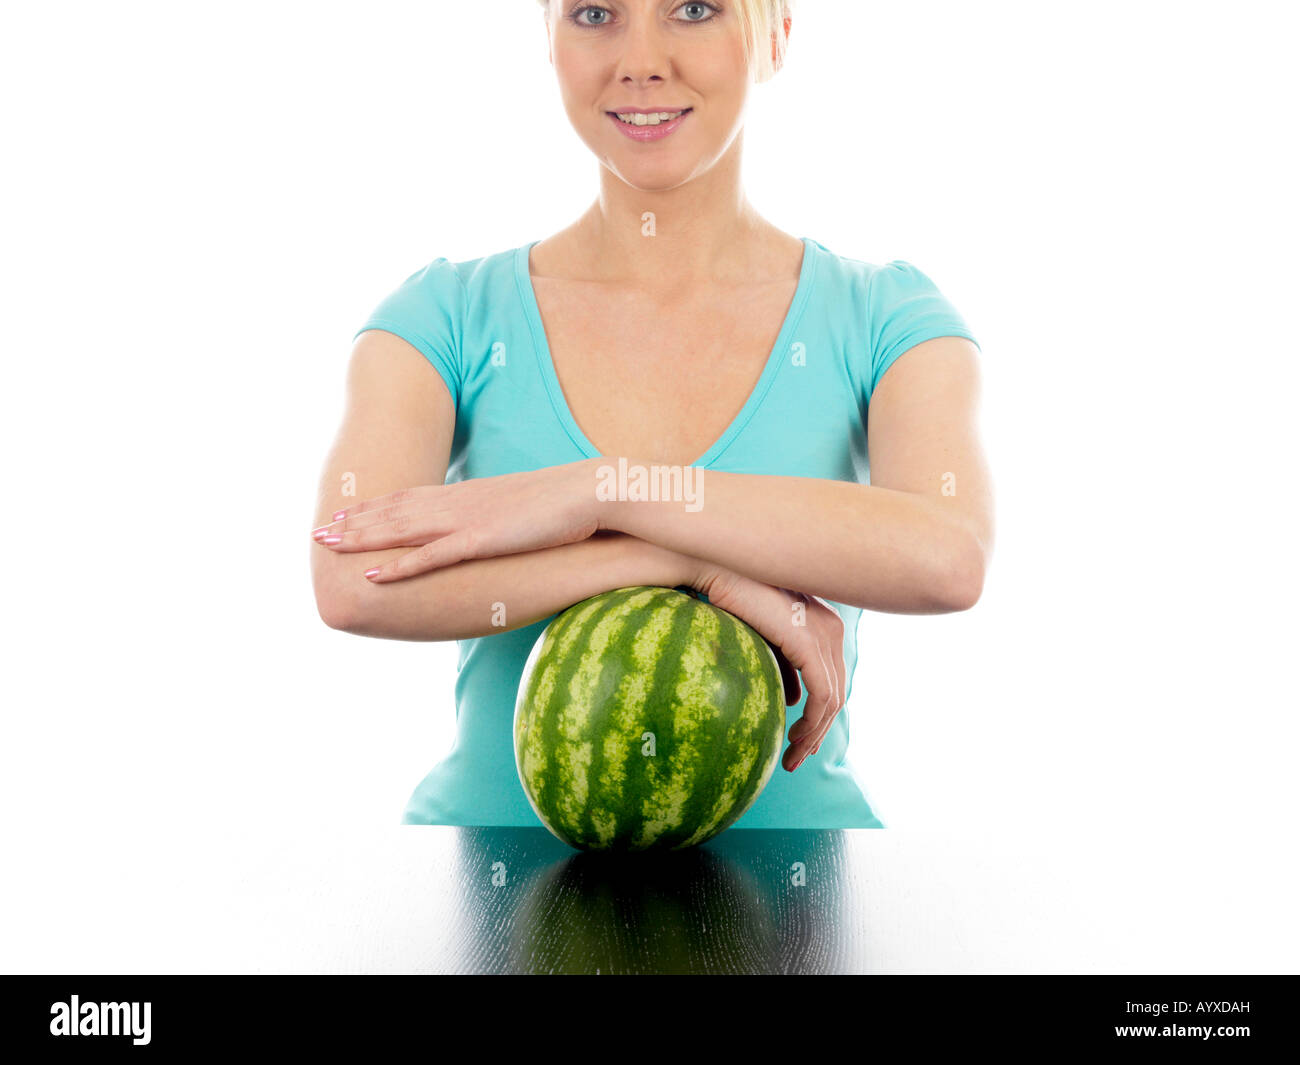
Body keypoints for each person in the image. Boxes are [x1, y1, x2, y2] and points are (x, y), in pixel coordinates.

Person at [309, 0, 993, 829]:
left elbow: (948, 556)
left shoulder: (887, 316)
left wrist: (600, 493)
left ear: (776, 33)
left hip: (794, 915)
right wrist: (681, 561)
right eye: (595, 13)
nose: (641, 58)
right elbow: (350, 580)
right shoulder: (445, 316)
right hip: (488, 911)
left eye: (694, 9)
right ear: (548, 38)